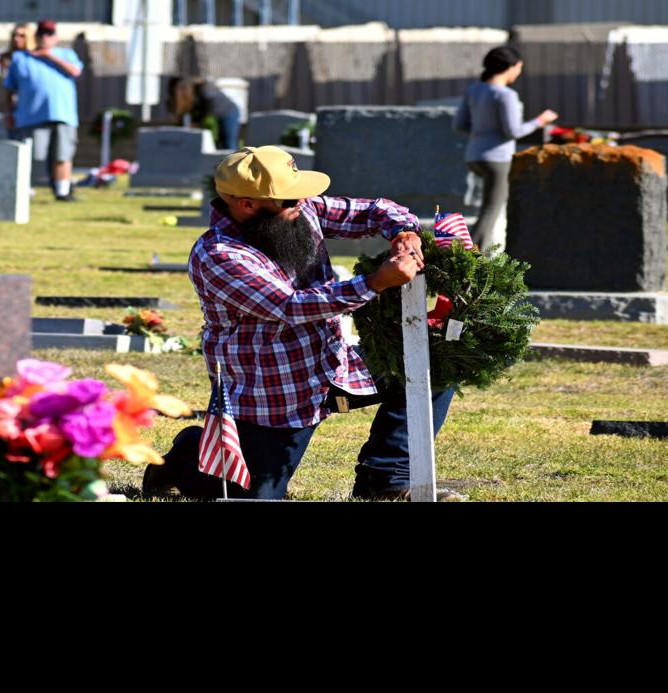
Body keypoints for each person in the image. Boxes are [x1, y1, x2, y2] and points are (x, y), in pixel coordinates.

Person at [164, 146, 464, 501]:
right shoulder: (218, 255)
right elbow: (288, 306)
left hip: (333, 365)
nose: (302, 203)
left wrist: (404, 232)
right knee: (257, 495)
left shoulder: (298, 209)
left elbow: (373, 210)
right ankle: (189, 455)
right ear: (246, 204)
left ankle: (385, 479)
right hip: (273, 395)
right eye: (291, 200)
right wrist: (375, 283)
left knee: (434, 365)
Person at [453, 46, 557, 252]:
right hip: (498, 159)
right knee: (491, 211)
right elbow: (514, 131)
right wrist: (540, 120)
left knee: (487, 209)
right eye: (518, 68)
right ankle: (470, 258)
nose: (518, 73)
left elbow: (459, 125)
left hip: (474, 155)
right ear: (510, 67)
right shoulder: (506, 95)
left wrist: (483, 131)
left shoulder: (474, 90)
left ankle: (476, 253)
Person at [3, 18, 82, 202]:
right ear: (36, 36)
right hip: (30, 116)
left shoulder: (66, 54)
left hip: (63, 114)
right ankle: (23, 189)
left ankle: (63, 191)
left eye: (50, 34)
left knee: (62, 155)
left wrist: (49, 56)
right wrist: (9, 113)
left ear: (56, 37)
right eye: (42, 33)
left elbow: (75, 72)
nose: (45, 37)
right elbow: (10, 89)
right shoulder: (21, 58)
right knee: (33, 156)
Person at [167, 76, 241, 150]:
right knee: (220, 142)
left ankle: (235, 160)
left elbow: (209, 106)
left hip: (229, 111)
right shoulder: (193, 95)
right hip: (218, 113)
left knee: (229, 142)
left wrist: (198, 121)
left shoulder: (205, 90)